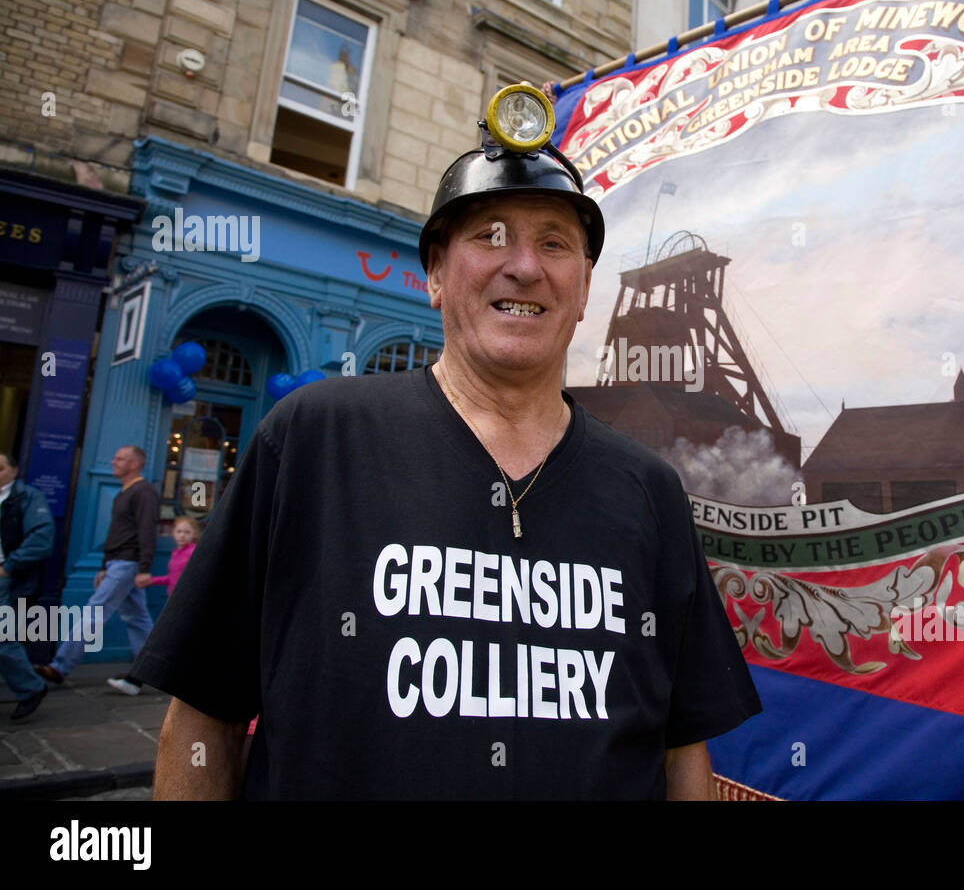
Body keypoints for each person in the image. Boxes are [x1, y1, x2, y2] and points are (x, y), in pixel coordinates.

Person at [135, 83, 761, 799]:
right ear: (434, 274)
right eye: (490, 235)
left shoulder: (648, 490)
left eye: (554, 243)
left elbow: (683, 753)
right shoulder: (312, 440)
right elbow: (200, 721)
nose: (523, 265)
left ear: (585, 287)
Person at [35, 446, 158, 689]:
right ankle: (153, 669)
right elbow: (117, 532)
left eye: (120, 458)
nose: (113, 461)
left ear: (135, 464)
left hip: (127, 563)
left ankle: (60, 666)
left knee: (94, 612)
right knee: (137, 618)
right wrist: (104, 565)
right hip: (117, 562)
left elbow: (147, 531)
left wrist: (144, 567)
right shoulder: (124, 491)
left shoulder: (144, 492)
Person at [107, 515, 200, 696]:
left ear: (194, 535)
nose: (182, 535)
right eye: (179, 531)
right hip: (175, 604)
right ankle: (137, 679)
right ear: (172, 533)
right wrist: (152, 581)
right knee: (170, 644)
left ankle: (135, 680)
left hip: (185, 606)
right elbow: (173, 579)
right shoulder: (176, 553)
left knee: (162, 643)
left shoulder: (193, 553)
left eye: (187, 532)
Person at [0, 452, 54, 721]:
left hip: (6, 579)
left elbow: (42, 539)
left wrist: (8, 566)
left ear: (14, 470)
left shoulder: (28, 497)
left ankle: (30, 687)